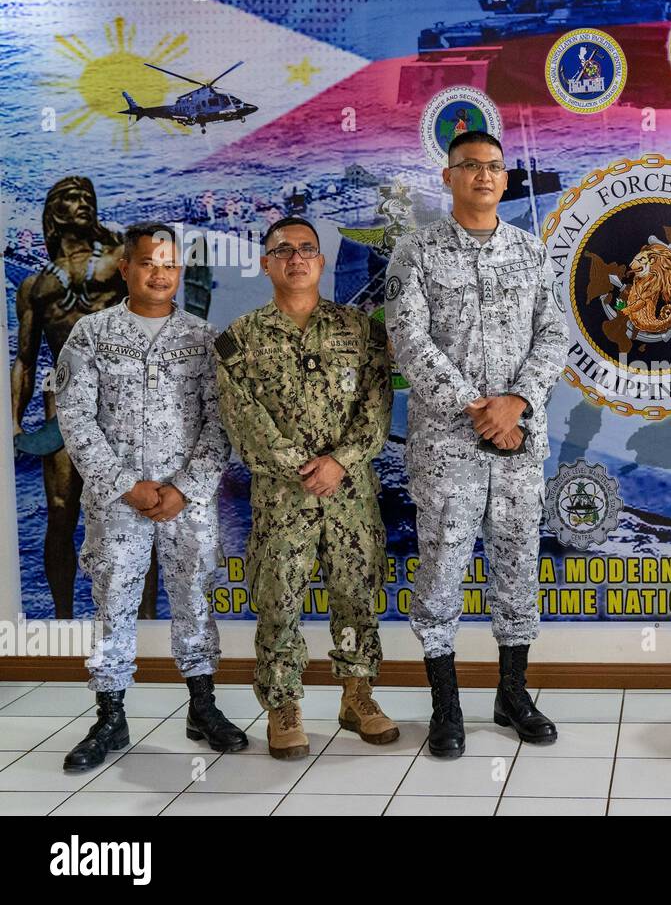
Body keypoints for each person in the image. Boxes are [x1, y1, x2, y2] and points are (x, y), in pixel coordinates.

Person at [386, 131, 567, 759]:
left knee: (518, 568)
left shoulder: (531, 252)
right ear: (448, 176)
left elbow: (554, 333)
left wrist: (514, 403)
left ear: (504, 178)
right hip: (447, 447)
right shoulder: (416, 252)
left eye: (494, 168)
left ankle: (512, 693)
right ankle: (446, 704)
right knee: (441, 573)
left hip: (519, 443)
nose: (485, 177)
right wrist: (476, 407)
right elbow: (409, 342)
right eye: (471, 167)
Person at [55, 222, 245, 770]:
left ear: (179, 270)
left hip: (189, 502)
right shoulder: (91, 335)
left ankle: (202, 707)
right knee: (113, 602)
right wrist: (125, 485)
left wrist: (185, 488)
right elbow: (76, 419)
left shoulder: (205, 339)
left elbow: (221, 424)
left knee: (195, 600)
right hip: (118, 502)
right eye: (147, 263)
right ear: (126, 267)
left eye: (168, 264)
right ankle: (110, 717)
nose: (159, 273)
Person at [215, 216, 397, 760]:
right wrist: (304, 466)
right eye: (283, 250)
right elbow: (242, 418)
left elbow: (377, 405)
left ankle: (357, 693)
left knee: (356, 596)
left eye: (307, 249)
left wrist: (339, 462)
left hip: (350, 495)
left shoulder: (362, 330)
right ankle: (284, 703)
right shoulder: (240, 338)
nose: (296, 258)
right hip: (281, 498)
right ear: (266, 263)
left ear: (319, 261)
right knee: (279, 601)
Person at [11, 177, 162, 618]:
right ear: (55, 211)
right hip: (63, 406)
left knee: (140, 512)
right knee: (61, 512)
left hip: (125, 401)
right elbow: (24, 358)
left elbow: (159, 277)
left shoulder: (119, 260)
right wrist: (15, 422)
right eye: (73, 199)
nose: (83, 206)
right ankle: (62, 622)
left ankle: (147, 620)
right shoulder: (35, 287)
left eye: (88, 200)